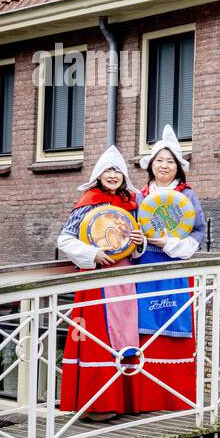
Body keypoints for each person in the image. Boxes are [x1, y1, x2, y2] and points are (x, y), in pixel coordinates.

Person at [56, 146, 147, 422]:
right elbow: (65, 239)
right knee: (96, 340)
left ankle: (121, 401)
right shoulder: (89, 201)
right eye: (108, 170)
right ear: (98, 174)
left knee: (126, 336)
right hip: (96, 279)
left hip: (124, 281)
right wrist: (91, 253)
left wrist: (139, 244)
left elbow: (133, 245)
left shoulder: (132, 203)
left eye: (117, 171)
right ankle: (95, 405)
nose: (113, 175)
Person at [131, 126, 206, 412]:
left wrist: (171, 244)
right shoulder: (138, 197)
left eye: (170, 161)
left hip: (173, 269)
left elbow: (198, 232)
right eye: (160, 160)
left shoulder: (188, 196)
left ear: (179, 167)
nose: (164, 166)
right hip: (144, 268)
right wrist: (138, 242)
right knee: (142, 333)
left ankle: (175, 400)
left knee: (174, 329)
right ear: (151, 164)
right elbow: (129, 231)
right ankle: (143, 399)